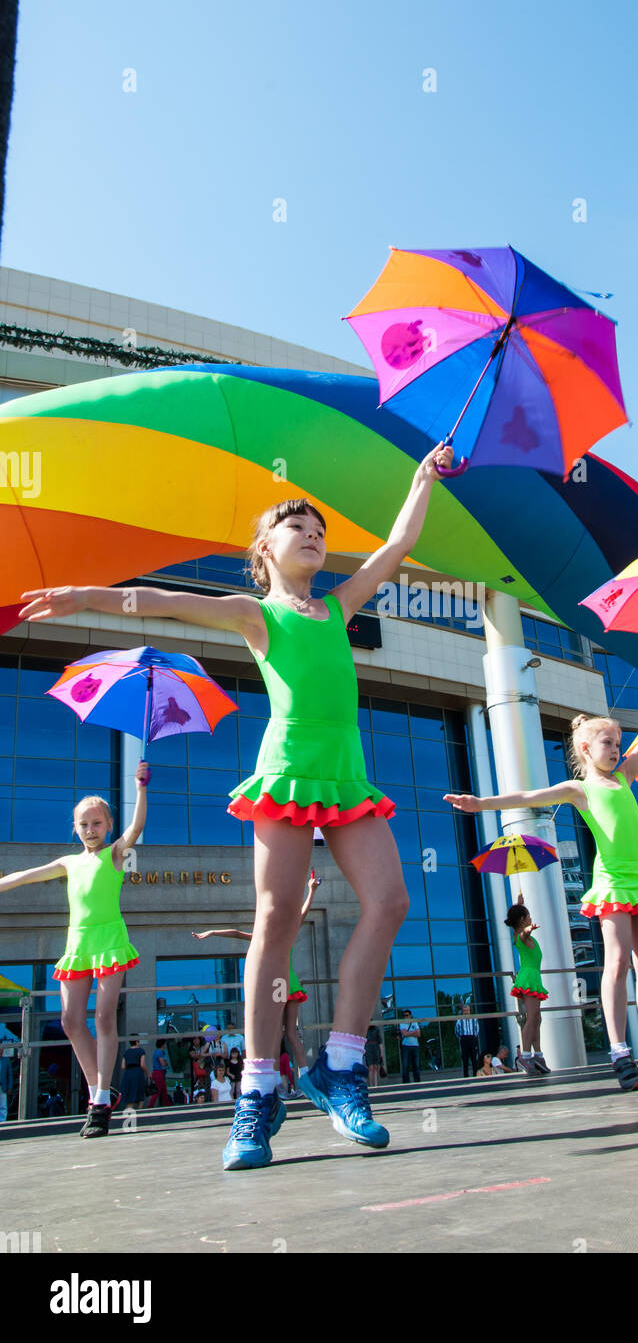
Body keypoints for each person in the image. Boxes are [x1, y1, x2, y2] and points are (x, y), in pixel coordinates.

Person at [20, 442, 454, 1167]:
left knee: (390, 904)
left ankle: (339, 1066)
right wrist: (84, 594)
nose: (312, 533)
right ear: (263, 550)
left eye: (318, 527)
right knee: (276, 918)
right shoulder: (257, 615)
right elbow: (162, 601)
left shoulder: (339, 605)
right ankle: (257, 1089)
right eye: (295, 525)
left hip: (345, 776)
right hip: (285, 773)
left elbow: (398, 543)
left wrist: (420, 478)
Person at [447, 672, 638, 1092]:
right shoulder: (578, 788)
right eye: (607, 743)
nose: (615, 748)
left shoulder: (627, 776)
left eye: (617, 742)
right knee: (617, 964)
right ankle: (619, 1051)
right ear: (585, 748)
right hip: (612, 883)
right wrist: (481, 803)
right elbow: (527, 798)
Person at [0, 762, 149, 1137]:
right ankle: (101, 1086)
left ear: (108, 825)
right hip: (78, 943)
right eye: (83, 824)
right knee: (69, 1020)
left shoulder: (114, 854)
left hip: (110, 941)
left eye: (97, 823)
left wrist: (140, 788)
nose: (90, 830)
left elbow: (136, 829)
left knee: (103, 1017)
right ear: (75, 828)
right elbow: (26, 875)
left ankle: (99, 1102)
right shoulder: (68, 862)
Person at [193, 870, 321, 1107]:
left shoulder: (266, 937)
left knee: (275, 1035)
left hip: (279, 984)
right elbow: (302, 913)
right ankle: (304, 1083)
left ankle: (276, 1085)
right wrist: (311, 890)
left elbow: (236, 933)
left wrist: (211, 932)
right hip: (289, 983)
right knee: (292, 1034)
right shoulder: (284, 933)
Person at [503, 890, 550, 1076]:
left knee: (536, 1018)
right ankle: (525, 1056)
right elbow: (523, 934)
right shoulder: (522, 936)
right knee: (531, 1018)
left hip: (533, 977)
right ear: (523, 920)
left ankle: (537, 1055)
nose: (530, 918)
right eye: (528, 916)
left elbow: (520, 927)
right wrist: (529, 929)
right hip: (528, 978)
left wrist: (519, 903)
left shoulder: (518, 931)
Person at [119, 1039, 148, 1110]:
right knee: (140, 1092)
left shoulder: (126, 1052)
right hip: (138, 1073)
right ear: (137, 1042)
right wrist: (147, 1074)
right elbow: (142, 1064)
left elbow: (123, 1066)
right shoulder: (141, 1051)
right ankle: (139, 1110)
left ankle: (129, 1109)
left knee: (130, 1092)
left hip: (128, 1073)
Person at [454, 1004, 480, 1078]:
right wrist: (461, 1037)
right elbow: (456, 1030)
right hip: (464, 1039)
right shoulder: (459, 1020)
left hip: (472, 1038)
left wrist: (474, 1038)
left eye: (467, 1010)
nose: (466, 1012)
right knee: (465, 1058)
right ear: (463, 1011)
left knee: (474, 1058)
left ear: (469, 1011)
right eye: (464, 1011)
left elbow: (477, 1029)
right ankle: (466, 1076)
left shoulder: (474, 1019)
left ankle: (475, 1075)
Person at [399, 1011, 421, 1083]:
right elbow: (404, 1034)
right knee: (405, 1065)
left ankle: (417, 1082)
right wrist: (413, 1032)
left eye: (407, 1015)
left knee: (416, 1065)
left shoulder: (414, 1022)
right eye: (404, 1015)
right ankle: (406, 1083)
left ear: (410, 1015)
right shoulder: (402, 1023)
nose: (405, 1017)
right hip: (406, 1046)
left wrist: (409, 1033)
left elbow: (418, 1034)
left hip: (415, 1046)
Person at [149, 1038, 172, 1107]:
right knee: (158, 1090)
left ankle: (168, 1104)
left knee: (163, 1090)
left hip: (159, 1073)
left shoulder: (160, 1052)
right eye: (165, 1043)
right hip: (159, 1073)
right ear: (162, 1044)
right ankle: (150, 1105)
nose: (165, 1045)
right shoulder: (159, 1052)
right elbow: (163, 1063)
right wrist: (166, 1063)